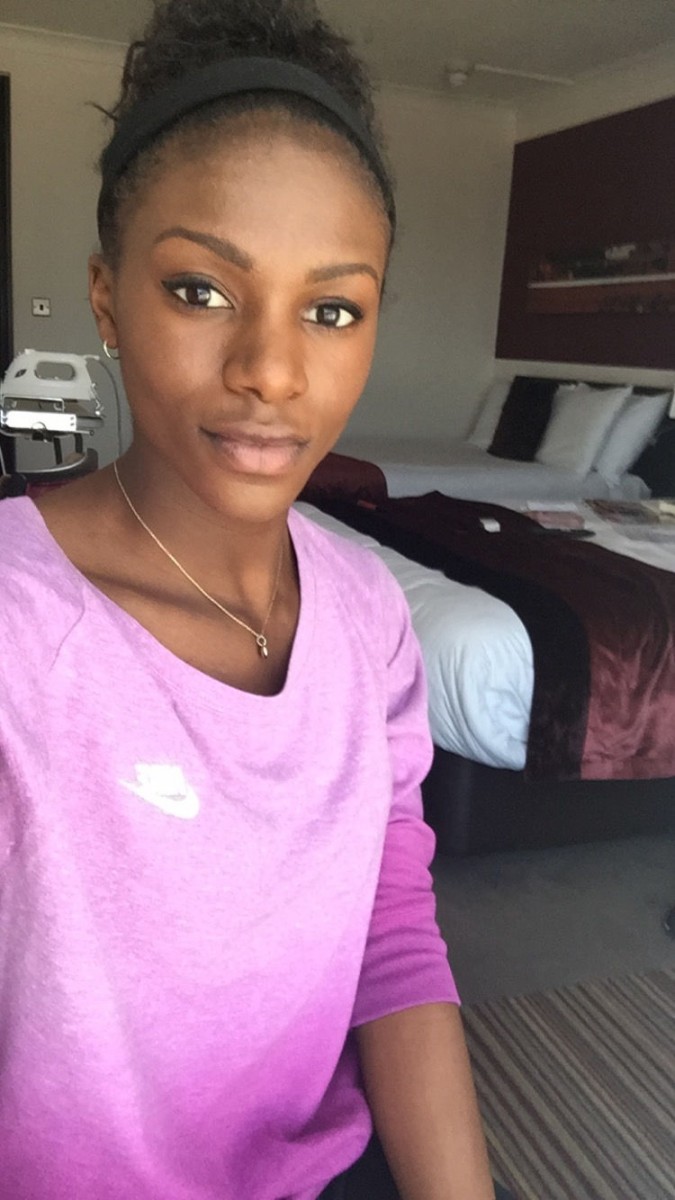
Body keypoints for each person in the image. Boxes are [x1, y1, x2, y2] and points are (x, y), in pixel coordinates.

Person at [0, 2, 513, 1197]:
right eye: (200, 290)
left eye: (331, 310)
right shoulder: (19, 634)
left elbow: (392, 934)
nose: (272, 371)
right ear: (107, 300)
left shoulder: (371, 614)